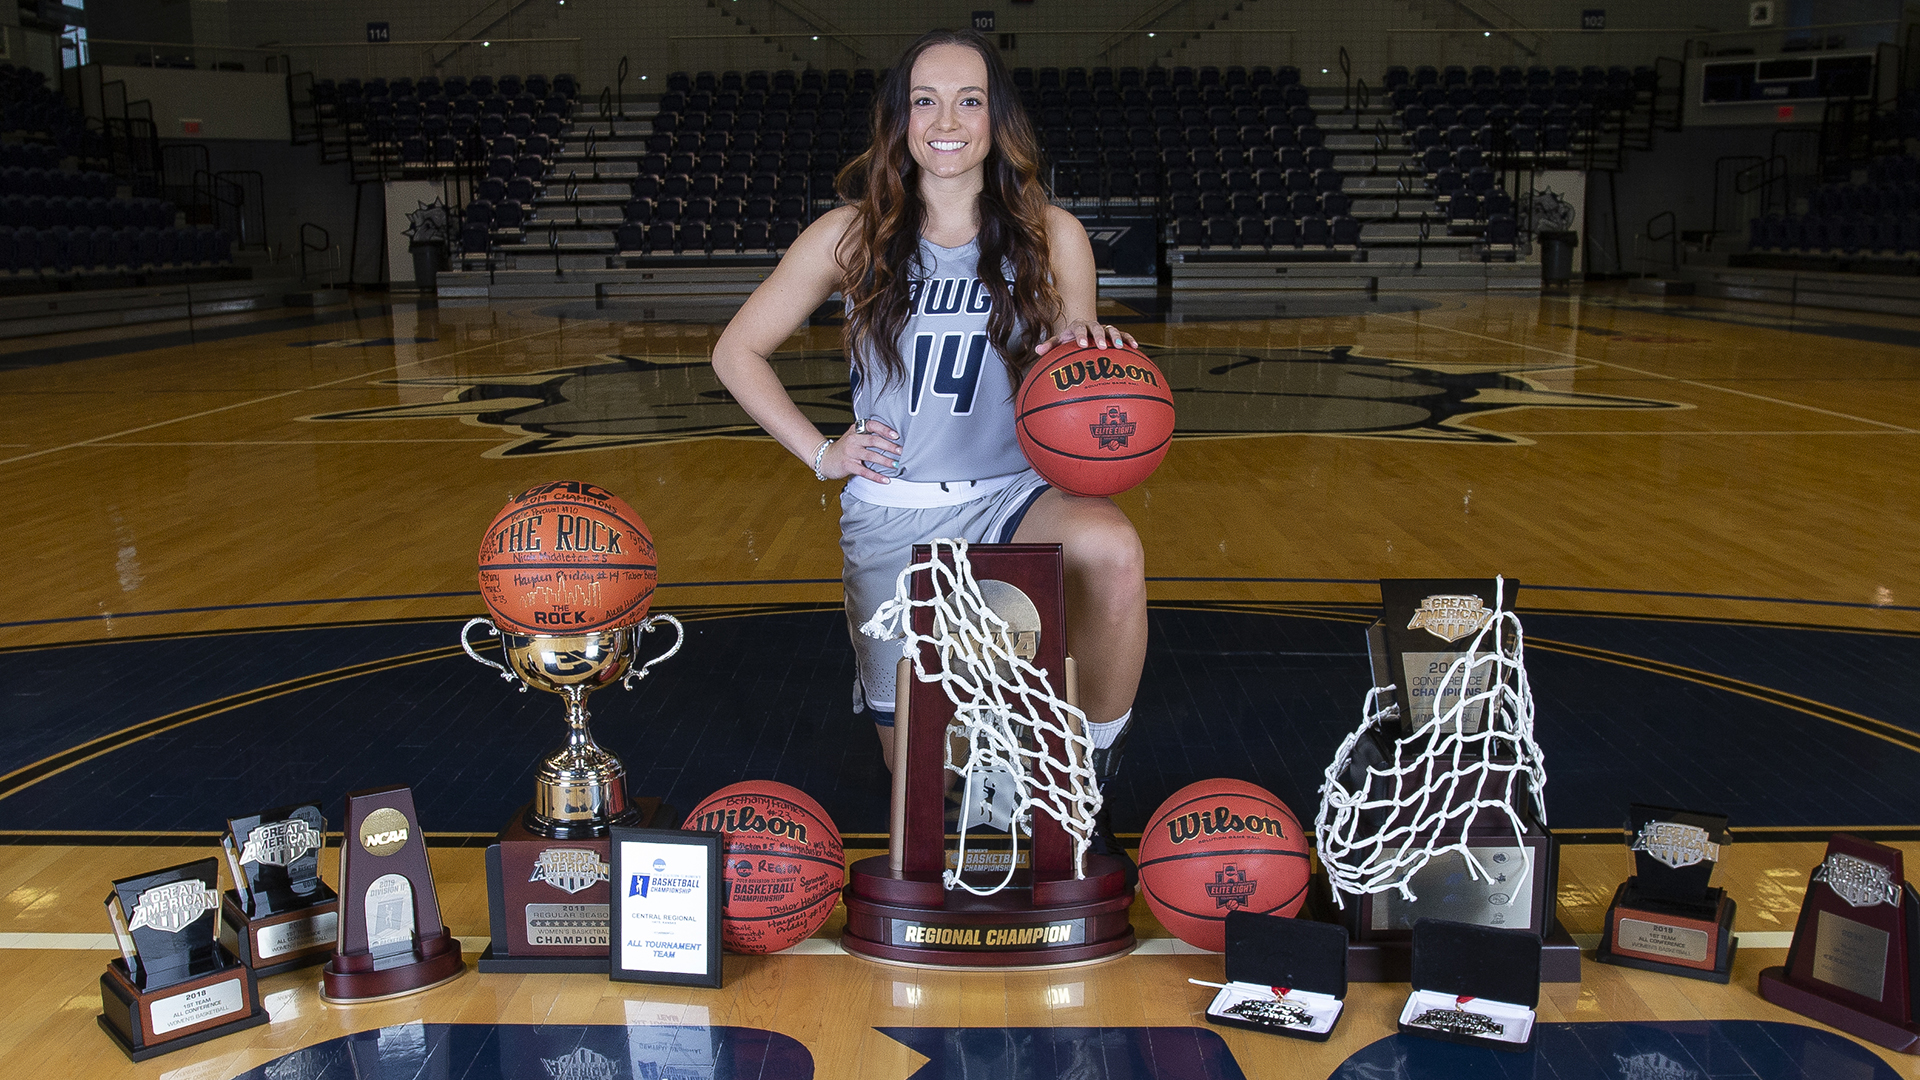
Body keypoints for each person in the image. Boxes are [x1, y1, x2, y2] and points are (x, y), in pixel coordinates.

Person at [710, 29, 1145, 864]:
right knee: (929, 786)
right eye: (925, 101)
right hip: (896, 515)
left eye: (969, 100)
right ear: (901, 121)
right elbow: (737, 350)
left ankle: (1087, 771)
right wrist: (820, 452)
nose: (947, 120)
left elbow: (1074, 376)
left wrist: (1101, 364)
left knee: (1113, 551)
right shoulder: (850, 234)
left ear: (996, 120)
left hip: (1016, 495)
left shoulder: (1053, 233)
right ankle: (973, 735)